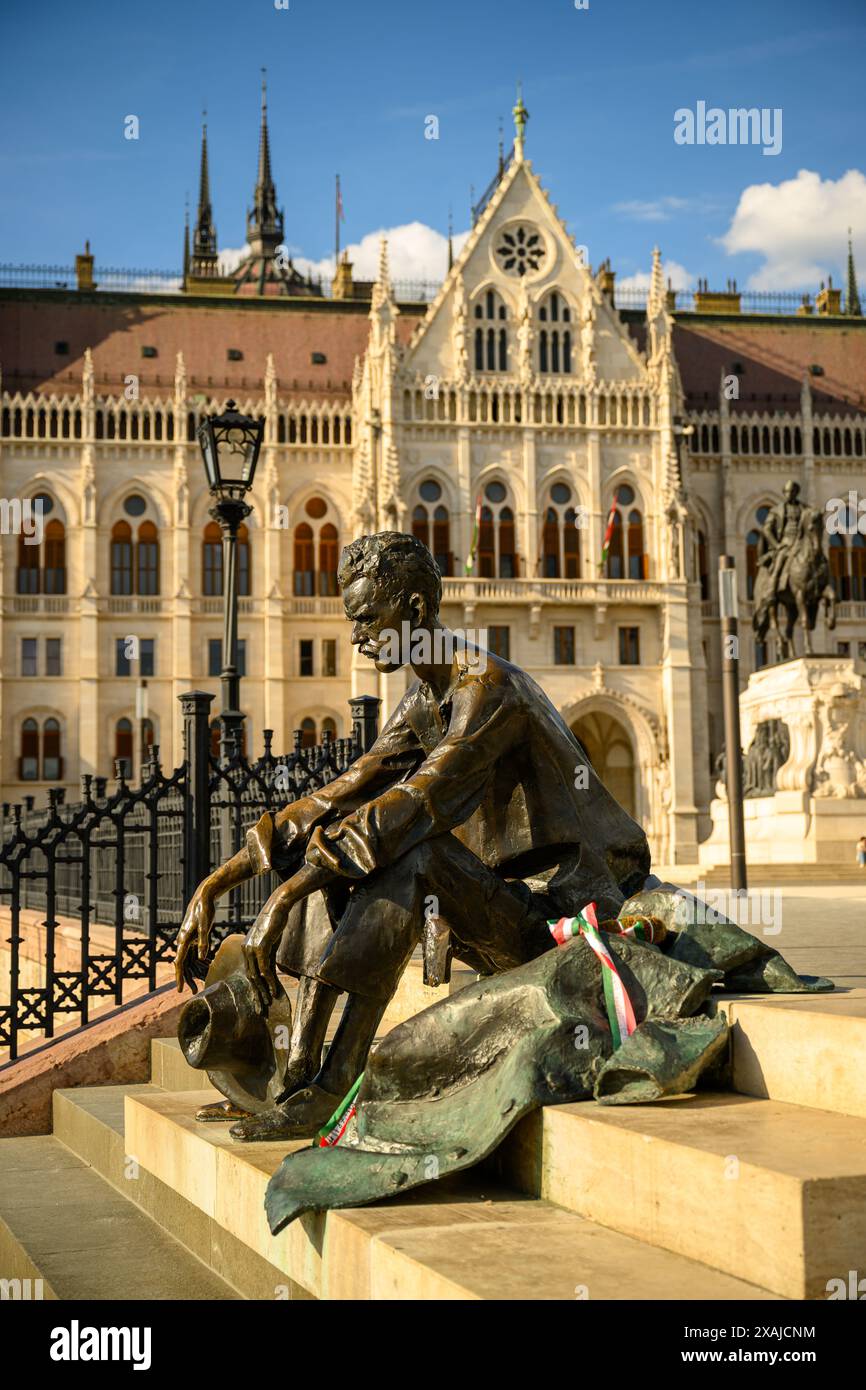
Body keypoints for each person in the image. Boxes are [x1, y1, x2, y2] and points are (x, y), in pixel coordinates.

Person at [174, 531, 649, 1140]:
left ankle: (332, 1083)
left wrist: (283, 897)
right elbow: (336, 796)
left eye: (367, 618)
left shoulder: (487, 689)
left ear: (415, 609)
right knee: (337, 847)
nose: (356, 636)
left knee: (411, 853)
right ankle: (296, 1075)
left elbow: (418, 803)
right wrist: (216, 883)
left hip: (565, 918)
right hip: (508, 907)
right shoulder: (426, 698)